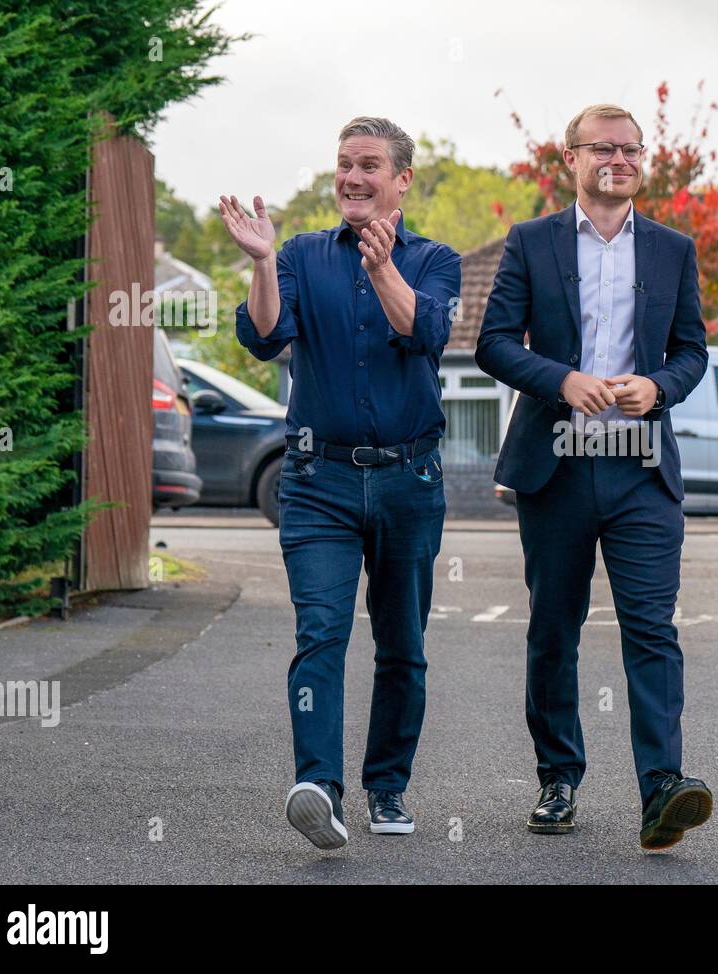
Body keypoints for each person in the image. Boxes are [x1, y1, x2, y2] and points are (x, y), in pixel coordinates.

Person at [475, 103, 712, 851]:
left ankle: (662, 789)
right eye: (602, 148)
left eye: (631, 149)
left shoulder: (673, 249)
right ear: (570, 160)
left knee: (651, 629)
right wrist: (561, 379)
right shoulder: (533, 242)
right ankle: (557, 779)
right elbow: (490, 344)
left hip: (642, 472)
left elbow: (693, 350)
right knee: (554, 630)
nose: (619, 158)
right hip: (557, 470)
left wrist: (661, 387)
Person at [221, 116, 461, 849]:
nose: (353, 178)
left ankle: (386, 787)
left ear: (401, 180)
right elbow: (265, 337)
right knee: (319, 631)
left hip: (408, 480)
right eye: (344, 164)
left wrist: (381, 266)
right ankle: (318, 789)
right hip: (316, 479)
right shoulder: (298, 254)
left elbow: (425, 333)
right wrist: (262, 263)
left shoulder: (435, 259)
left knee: (402, 645)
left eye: (369, 166)